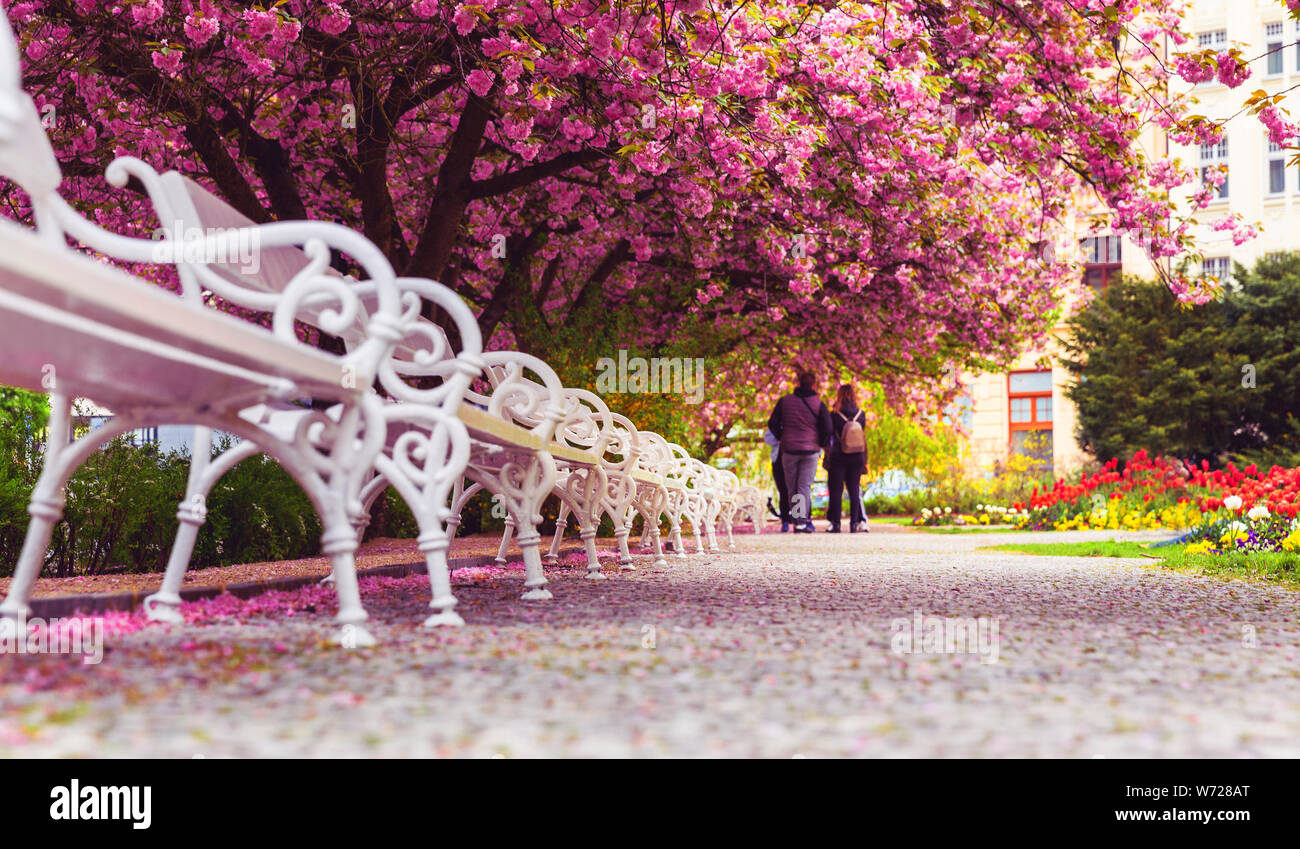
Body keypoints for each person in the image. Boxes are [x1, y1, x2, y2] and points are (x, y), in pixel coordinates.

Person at [767, 369, 831, 533]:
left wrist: (782, 436)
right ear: (814, 384)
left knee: (792, 486)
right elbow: (828, 427)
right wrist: (820, 442)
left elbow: (772, 422)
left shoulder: (785, 401)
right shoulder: (818, 404)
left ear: (798, 383)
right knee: (803, 486)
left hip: (789, 449)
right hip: (810, 450)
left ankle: (797, 520)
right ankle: (801, 522)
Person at [824, 383, 868, 533]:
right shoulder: (861, 414)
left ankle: (836, 524)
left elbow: (829, 432)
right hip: (857, 456)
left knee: (836, 490)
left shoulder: (834, 414)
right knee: (854, 490)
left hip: (839, 455)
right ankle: (854, 523)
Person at [762, 428, 792, 532]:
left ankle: (799, 520)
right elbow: (768, 439)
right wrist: (781, 435)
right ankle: (786, 520)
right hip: (779, 460)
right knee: (783, 491)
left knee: (799, 489)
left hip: (797, 458)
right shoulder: (778, 422)